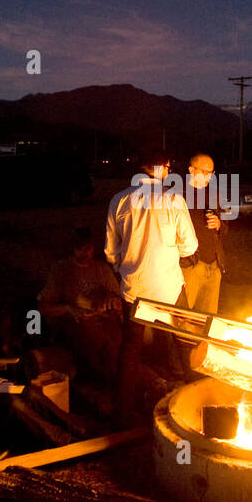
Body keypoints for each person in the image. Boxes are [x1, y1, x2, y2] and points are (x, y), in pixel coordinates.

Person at [105, 151, 198, 422]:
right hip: (168, 287)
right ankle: (197, 398)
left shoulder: (119, 199)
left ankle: (122, 410)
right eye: (168, 168)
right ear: (161, 168)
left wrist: (123, 267)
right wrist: (173, 250)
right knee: (184, 341)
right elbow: (190, 245)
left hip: (134, 289)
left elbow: (111, 250)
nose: (169, 173)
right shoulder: (172, 199)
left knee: (131, 348)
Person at [38, 227, 121, 382]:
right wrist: (68, 309)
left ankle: (125, 376)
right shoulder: (61, 270)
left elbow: (117, 297)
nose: (85, 254)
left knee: (119, 340)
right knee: (97, 341)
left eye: (88, 248)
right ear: (72, 248)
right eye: (80, 249)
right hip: (75, 325)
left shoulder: (102, 269)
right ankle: (108, 378)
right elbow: (43, 308)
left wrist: (112, 301)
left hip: (103, 320)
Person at [180, 153, 227, 315]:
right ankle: (182, 341)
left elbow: (225, 228)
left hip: (213, 265)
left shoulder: (214, 195)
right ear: (191, 170)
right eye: (204, 172)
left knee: (208, 317)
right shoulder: (179, 196)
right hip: (191, 265)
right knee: (184, 315)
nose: (208, 176)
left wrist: (219, 224)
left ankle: (203, 341)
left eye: (211, 172)